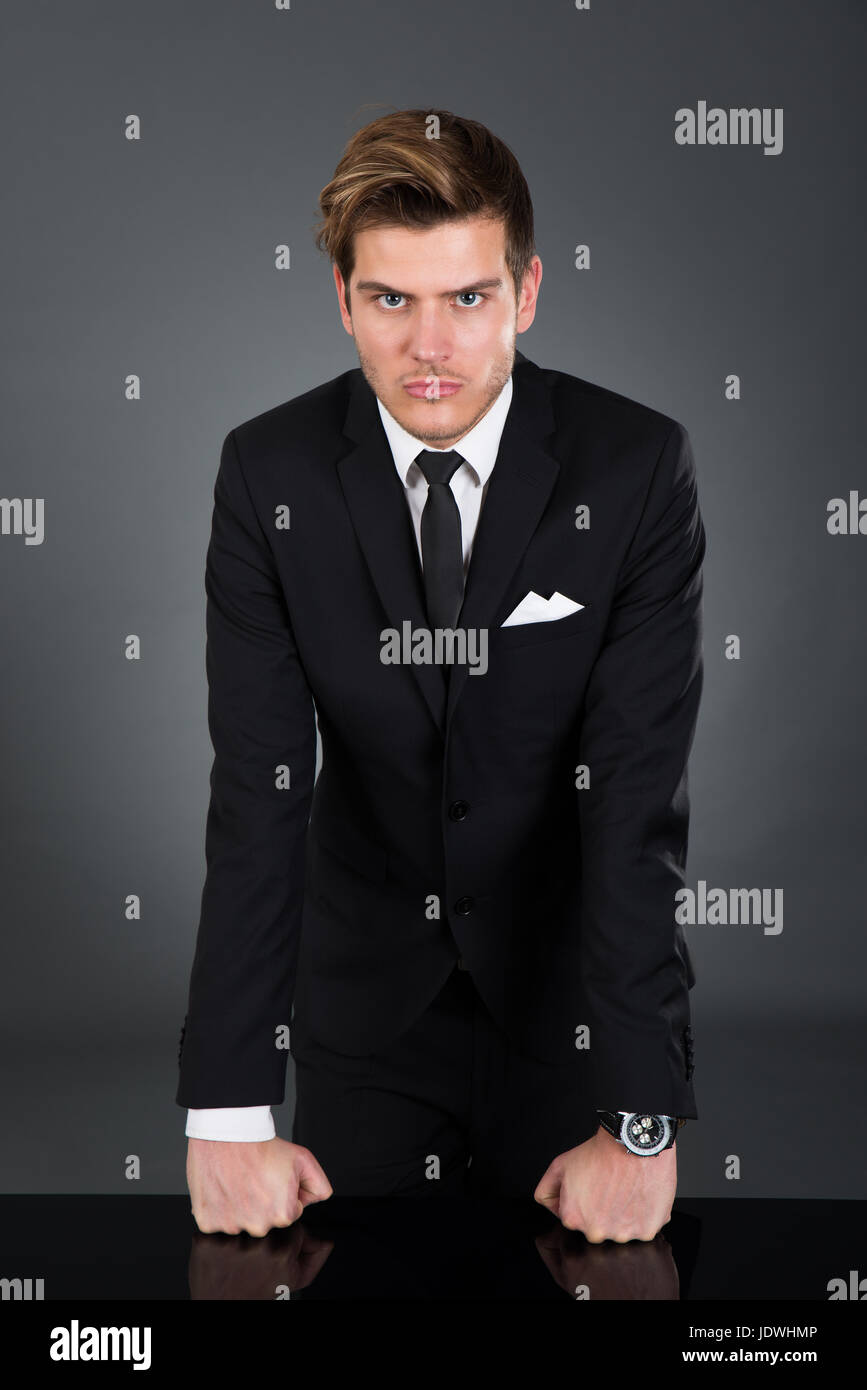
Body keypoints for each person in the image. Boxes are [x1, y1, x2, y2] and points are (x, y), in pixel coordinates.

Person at [176, 108, 704, 1242]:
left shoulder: (635, 468)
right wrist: (226, 1112)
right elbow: (258, 793)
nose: (430, 347)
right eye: (391, 300)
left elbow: (635, 806)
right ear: (342, 300)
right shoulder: (267, 474)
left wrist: (640, 1120)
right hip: (362, 1009)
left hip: (568, 1009)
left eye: (468, 297)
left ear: (526, 292)